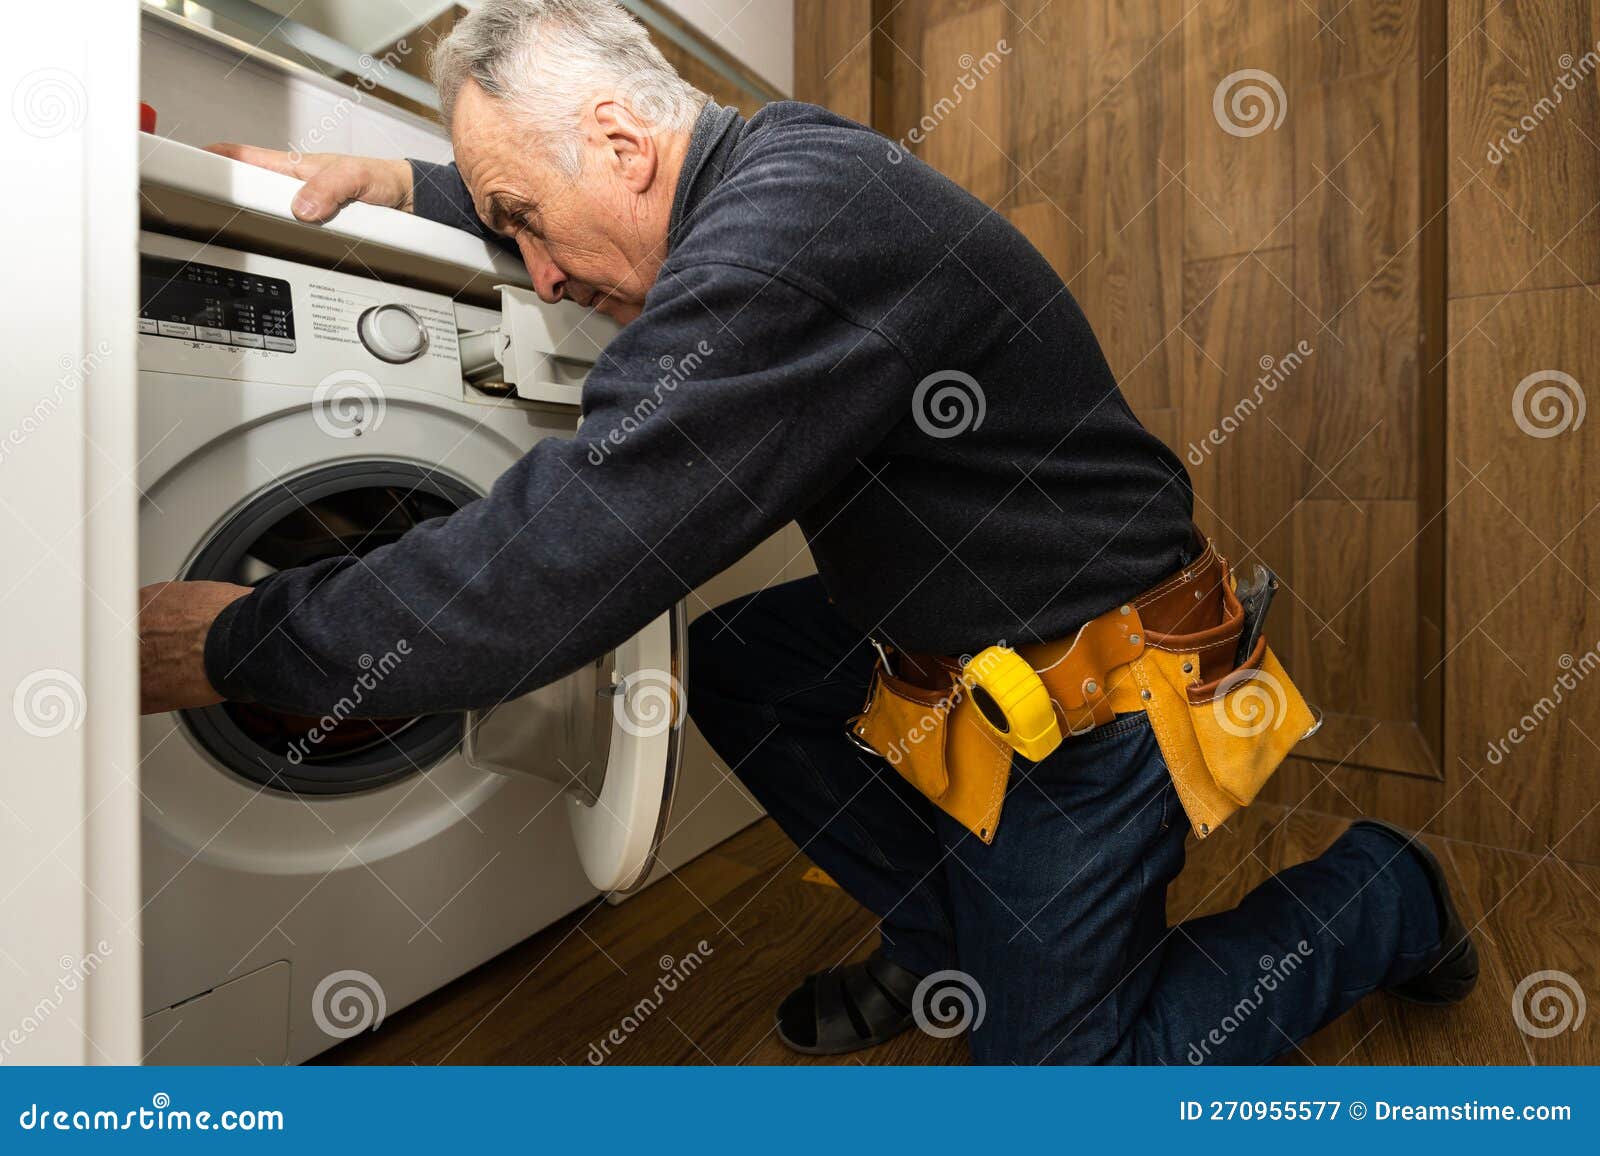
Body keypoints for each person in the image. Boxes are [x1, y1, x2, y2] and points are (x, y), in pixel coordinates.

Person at [138, 0, 1476, 1063]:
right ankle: (947, 940)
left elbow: (561, 553)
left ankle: (1381, 890)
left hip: (1093, 698)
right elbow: (568, 225)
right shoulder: (764, 177)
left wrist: (247, 643)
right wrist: (404, 180)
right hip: (946, 645)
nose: (538, 273)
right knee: (742, 663)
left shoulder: (792, 236)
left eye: (523, 225)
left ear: (617, 143)